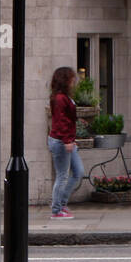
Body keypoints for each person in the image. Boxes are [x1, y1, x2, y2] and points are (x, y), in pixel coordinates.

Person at [48, 66, 84, 219]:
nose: (74, 81)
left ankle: (61, 203)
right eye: (71, 78)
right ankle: (57, 209)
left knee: (78, 172)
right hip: (61, 141)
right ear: (65, 80)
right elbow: (61, 121)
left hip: (66, 140)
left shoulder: (63, 97)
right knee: (62, 175)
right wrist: (68, 140)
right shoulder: (60, 98)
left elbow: (67, 118)